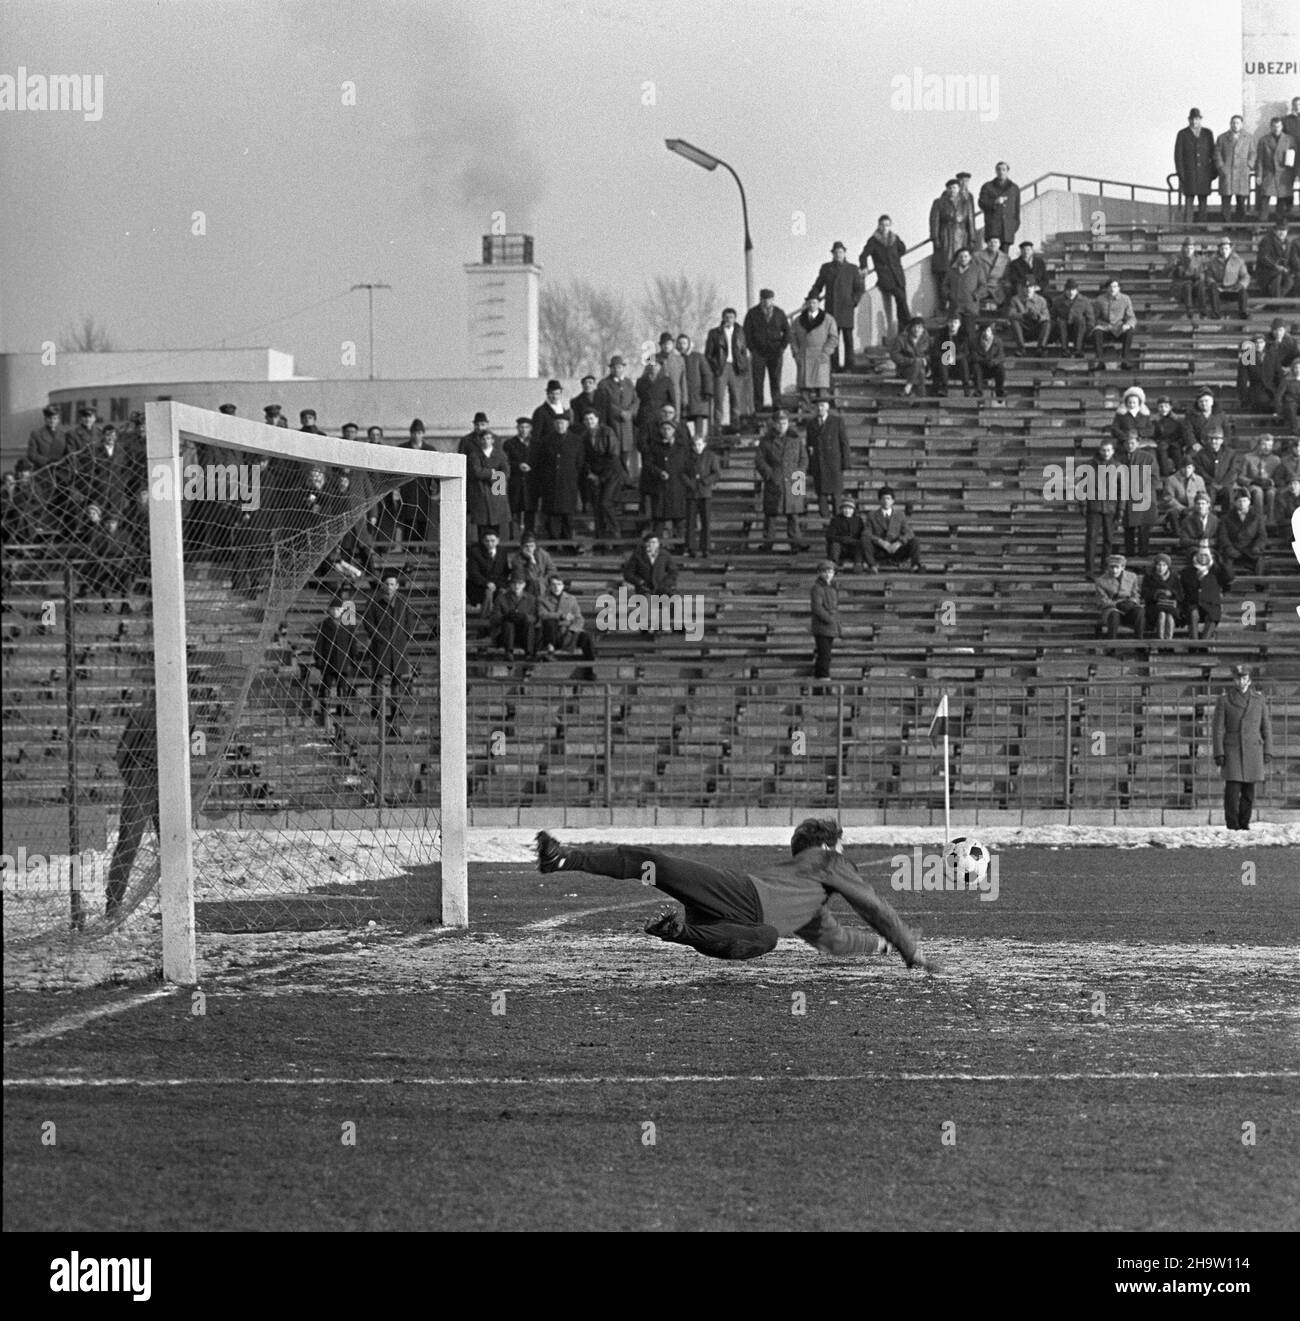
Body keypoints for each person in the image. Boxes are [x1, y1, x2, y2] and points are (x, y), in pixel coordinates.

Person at [533, 817, 937, 968]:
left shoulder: (806, 899)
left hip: (731, 920)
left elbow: (833, 941)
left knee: (655, 864)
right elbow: (873, 907)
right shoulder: (828, 862)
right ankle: (564, 859)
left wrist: (880, 948)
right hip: (741, 899)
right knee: (766, 938)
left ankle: (676, 930)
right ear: (829, 847)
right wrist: (905, 945)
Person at [105, 689, 159, 917]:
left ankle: (179, 897)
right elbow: (123, 753)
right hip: (144, 778)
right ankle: (114, 903)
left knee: (175, 844)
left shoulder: (189, 712)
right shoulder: (143, 713)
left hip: (168, 780)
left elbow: (197, 748)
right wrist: (135, 780)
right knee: (128, 843)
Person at [1212, 666, 1272, 831]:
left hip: (1253, 749)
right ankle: (1233, 825)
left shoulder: (1259, 699)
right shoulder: (1224, 700)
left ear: (1249, 680)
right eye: (1238, 678)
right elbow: (1217, 729)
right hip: (1233, 749)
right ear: (1234, 680)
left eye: (1244, 678)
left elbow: (1266, 727)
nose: (1241, 681)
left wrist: (1268, 750)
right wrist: (1219, 752)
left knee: (1248, 793)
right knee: (1232, 791)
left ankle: (1244, 824)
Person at [362, 569, 419, 731]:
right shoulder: (373, 602)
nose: (389, 587)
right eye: (386, 584)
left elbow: (410, 621)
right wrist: (378, 637)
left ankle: (396, 708)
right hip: (381, 645)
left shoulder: (403, 601)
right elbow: (368, 623)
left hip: (398, 645)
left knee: (397, 679)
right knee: (379, 678)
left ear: (397, 586)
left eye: (392, 584)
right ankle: (377, 708)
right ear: (382, 585)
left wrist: (404, 635)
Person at [755, 408, 809, 552]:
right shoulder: (766, 441)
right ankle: (768, 543)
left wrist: (800, 474)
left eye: (784, 423)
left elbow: (804, 458)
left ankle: (796, 542)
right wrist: (770, 475)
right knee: (771, 515)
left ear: (788, 423)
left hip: (795, 480)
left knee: (794, 514)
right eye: (779, 423)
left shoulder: (796, 439)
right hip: (775, 480)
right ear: (774, 424)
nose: (782, 426)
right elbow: (760, 461)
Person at [808, 241, 865, 372]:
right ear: (832, 254)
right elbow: (818, 285)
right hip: (832, 308)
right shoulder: (826, 268)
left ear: (844, 253)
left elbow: (859, 288)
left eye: (840, 252)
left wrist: (853, 301)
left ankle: (849, 367)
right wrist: (811, 298)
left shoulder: (852, 268)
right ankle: (834, 366)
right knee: (833, 339)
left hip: (846, 308)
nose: (838, 254)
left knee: (848, 339)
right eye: (835, 252)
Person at [312, 592, 364, 730]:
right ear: (329, 610)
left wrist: (354, 657)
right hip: (329, 659)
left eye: (338, 609)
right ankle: (325, 707)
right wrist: (318, 657)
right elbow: (319, 642)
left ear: (342, 610)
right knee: (327, 685)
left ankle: (343, 707)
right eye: (333, 609)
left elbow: (352, 642)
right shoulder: (324, 625)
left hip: (343, 660)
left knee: (343, 686)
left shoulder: (347, 625)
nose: (335, 611)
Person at [581, 405, 628, 549]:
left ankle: (616, 535)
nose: (589, 422)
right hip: (595, 474)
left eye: (592, 419)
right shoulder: (584, 436)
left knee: (605, 503)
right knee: (596, 507)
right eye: (587, 419)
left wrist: (600, 477)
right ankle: (600, 538)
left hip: (612, 473)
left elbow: (614, 456)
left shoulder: (607, 432)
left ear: (597, 419)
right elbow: (584, 458)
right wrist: (590, 473)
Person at [539, 413, 587, 546]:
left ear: (567, 424)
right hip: (551, 482)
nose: (560, 425)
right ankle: (554, 543)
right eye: (558, 423)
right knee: (553, 514)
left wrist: (572, 475)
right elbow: (542, 462)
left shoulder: (576, 440)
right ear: (554, 424)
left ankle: (567, 543)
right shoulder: (546, 440)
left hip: (568, 482)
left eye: (563, 423)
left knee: (567, 515)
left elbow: (580, 462)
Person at [742, 289, 791, 414]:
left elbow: (787, 331)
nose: (766, 302)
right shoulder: (752, 313)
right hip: (758, 352)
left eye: (769, 299)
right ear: (760, 299)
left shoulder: (779, 313)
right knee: (758, 380)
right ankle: (758, 406)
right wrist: (752, 348)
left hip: (775, 352)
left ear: (773, 300)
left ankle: (777, 404)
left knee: (775, 379)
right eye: (764, 299)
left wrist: (782, 347)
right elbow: (747, 333)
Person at [858, 215, 910, 329]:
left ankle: (903, 328)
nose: (884, 227)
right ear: (878, 226)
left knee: (902, 300)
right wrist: (864, 267)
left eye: (887, 225)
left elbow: (903, 249)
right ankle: (909, 323)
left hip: (898, 275)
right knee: (900, 297)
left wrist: (895, 260)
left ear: (890, 226)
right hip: (885, 276)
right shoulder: (873, 241)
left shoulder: (894, 238)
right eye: (882, 225)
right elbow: (863, 256)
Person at [1080, 438, 1121, 577]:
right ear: (1099, 450)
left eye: (1109, 450)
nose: (1106, 453)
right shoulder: (1089, 466)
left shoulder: (1118, 467)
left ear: (1113, 451)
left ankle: (1105, 569)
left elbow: (1123, 491)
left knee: (1108, 540)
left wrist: (1120, 510)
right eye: (1103, 450)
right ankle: (1089, 570)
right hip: (1094, 507)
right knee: (1091, 539)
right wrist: (1083, 505)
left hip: (1110, 508)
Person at [704, 308, 749, 433]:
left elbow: (743, 351)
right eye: (727, 317)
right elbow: (708, 353)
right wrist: (715, 366)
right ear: (723, 318)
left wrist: (743, 365)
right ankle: (717, 425)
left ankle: (735, 424)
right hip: (721, 368)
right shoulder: (715, 333)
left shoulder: (740, 332)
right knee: (719, 398)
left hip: (735, 367)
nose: (729, 320)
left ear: (735, 318)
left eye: (732, 317)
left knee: (736, 397)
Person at [806, 397, 852, 518]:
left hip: (834, 464)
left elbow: (844, 443)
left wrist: (845, 462)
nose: (819, 408)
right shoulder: (811, 424)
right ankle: (825, 522)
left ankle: (838, 521)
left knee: (836, 496)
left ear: (827, 407)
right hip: (819, 464)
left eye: (822, 405)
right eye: (818, 406)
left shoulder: (837, 421)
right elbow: (809, 445)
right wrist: (811, 465)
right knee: (821, 495)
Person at [928, 178, 975, 297]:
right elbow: (934, 221)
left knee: (961, 266)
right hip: (946, 235)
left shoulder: (965, 202)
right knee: (945, 269)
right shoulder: (939, 202)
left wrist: (972, 238)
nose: (952, 190)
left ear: (959, 189)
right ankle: (944, 300)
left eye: (954, 187)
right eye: (950, 188)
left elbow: (970, 221)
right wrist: (935, 238)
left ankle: (961, 296)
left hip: (961, 235)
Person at [788, 293, 838, 402]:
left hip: (821, 356)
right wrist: (796, 353)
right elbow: (792, 338)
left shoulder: (828, 319)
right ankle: (806, 413)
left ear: (819, 303)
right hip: (804, 356)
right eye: (809, 302)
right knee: (805, 391)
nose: (812, 305)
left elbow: (834, 338)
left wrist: (826, 352)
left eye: (814, 302)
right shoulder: (798, 320)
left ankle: (822, 414)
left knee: (821, 391)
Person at [594, 355, 638, 475]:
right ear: (610, 369)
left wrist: (630, 412)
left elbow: (635, 400)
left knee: (626, 454)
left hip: (627, 426)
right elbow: (605, 404)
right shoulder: (604, 384)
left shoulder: (628, 383)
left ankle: (625, 481)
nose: (617, 370)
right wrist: (619, 412)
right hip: (612, 424)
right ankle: (618, 481)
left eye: (619, 367)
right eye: (614, 367)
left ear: (623, 368)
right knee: (614, 455)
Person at [679, 434, 721, 560]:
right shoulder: (687, 457)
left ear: (704, 444)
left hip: (705, 493)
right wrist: (690, 483)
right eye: (695, 445)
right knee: (691, 522)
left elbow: (717, 473)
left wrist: (705, 481)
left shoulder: (711, 456)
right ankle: (691, 547)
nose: (697, 447)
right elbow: (682, 473)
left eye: (700, 444)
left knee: (706, 522)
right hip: (691, 493)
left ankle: (705, 548)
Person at [466, 429, 511, 543]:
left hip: (496, 491)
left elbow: (505, 472)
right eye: (484, 439)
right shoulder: (474, 455)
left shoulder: (500, 454)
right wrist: (492, 472)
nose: (486, 441)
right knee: (482, 525)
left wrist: (490, 475)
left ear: (493, 440)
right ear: (480, 441)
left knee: (496, 524)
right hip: (480, 492)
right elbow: (476, 472)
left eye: (489, 438)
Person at [1118, 427, 1157, 557]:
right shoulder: (1119, 459)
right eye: (1127, 443)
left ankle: (1142, 558)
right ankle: (1129, 558)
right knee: (1128, 530)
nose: (1129, 446)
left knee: (1143, 531)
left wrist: (1141, 490)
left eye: (1132, 443)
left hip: (1143, 499)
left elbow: (1154, 479)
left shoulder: (1148, 458)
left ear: (1138, 442)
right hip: (1127, 499)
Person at [537, 573, 594, 660]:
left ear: (563, 586)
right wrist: (561, 616)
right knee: (550, 622)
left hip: (569, 632)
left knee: (586, 637)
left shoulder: (571, 599)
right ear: (549, 586)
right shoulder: (542, 599)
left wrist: (572, 629)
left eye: (559, 584)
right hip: (552, 634)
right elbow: (542, 614)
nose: (556, 587)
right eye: (553, 584)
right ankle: (550, 651)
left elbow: (579, 618)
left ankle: (590, 667)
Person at [864, 486, 921, 573]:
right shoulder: (872, 515)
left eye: (888, 498)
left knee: (915, 541)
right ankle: (872, 566)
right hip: (880, 550)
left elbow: (909, 533)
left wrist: (899, 542)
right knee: (864, 540)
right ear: (879, 500)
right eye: (883, 498)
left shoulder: (900, 515)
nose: (886, 501)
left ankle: (915, 565)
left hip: (896, 549)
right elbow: (866, 533)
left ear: (893, 501)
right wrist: (880, 542)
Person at [1174, 108, 1216, 223]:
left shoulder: (1208, 133)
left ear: (1200, 120)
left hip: (1204, 174)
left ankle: (1203, 226)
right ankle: (1188, 226)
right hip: (1189, 175)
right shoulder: (1182, 134)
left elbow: (1213, 154)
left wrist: (1212, 173)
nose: (1194, 122)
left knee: (1203, 202)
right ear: (1188, 120)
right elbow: (1178, 156)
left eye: (1197, 119)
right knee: (1189, 202)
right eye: (1192, 119)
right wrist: (1181, 174)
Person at [485, 572, 538, 661]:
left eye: (520, 583)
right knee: (508, 623)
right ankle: (508, 653)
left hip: (524, 634)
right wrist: (506, 617)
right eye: (514, 583)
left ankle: (529, 654)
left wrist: (524, 617)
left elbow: (535, 618)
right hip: (505, 635)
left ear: (524, 585)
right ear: (510, 584)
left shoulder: (531, 599)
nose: (517, 586)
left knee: (529, 624)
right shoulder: (501, 598)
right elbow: (494, 618)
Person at [1216, 487, 1267, 578]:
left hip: (1250, 549)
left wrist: (1257, 547)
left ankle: (1260, 587)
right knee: (1225, 563)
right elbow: (1223, 536)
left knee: (1260, 562)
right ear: (1235, 503)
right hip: (1233, 548)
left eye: (1244, 500)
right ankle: (1228, 587)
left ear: (1249, 502)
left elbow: (1262, 535)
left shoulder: (1257, 517)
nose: (1242, 503)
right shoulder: (1226, 518)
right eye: (1239, 501)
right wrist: (1229, 548)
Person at [1094, 553, 1144, 640]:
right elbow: (1102, 600)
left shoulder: (1132, 577)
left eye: (1117, 567)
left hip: (1128, 608)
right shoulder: (1101, 581)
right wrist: (1117, 604)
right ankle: (1111, 646)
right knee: (1114, 615)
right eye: (1112, 567)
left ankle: (1140, 643)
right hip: (1111, 609)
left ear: (1123, 567)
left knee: (1139, 611)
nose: (1114, 570)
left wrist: (1132, 602)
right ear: (1108, 567)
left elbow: (1135, 594)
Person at [1091, 278, 1137, 372]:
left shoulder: (1125, 299)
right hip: (1106, 328)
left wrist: (1128, 325)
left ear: (1119, 288)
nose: (1112, 289)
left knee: (1130, 332)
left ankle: (1125, 361)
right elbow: (1095, 318)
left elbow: (1131, 317)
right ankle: (1099, 362)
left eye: (1115, 286)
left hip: (1119, 328)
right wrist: (1104, 325)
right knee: (1097, 332)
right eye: (1110, 287)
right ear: (1107, 288)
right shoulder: (1100, 299)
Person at [1216, 114, 1255, 222]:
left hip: (1242, 173)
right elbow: (1217, 154)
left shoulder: (1248, 138)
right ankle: (1226, 225)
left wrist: (1249, 166)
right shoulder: (1222, 138)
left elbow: (1253, 153)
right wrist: (1221, 167)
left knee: (1241, 201)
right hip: (1227, 173)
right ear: (1230, 124)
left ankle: (1240, 225)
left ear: (1241, 124)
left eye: (1237, 123)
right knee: (1226, 201)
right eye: (1233, 123)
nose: (1235, 125)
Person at [504, 416, 539, 538]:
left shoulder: (536, 444)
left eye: (526, 427)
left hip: (531, 483)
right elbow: (505, 462)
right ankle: (514, 537)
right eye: (521, 427)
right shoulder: (509, 444)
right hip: (515, 483)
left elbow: (541, 462)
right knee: (514, 512)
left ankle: (529, 538)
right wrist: (518, 465)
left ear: (531, 428)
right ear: (517, 428)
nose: (524, 430)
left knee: (530, 512)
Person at [1256, 117, 1296, 221]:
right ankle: (1262, 225)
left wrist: (1294, 174)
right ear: (1270, 127)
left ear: (1282, 127)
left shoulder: (1289, 139)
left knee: (1281, 200)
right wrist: (1259, 175)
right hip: (1269, 173)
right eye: (1273, 126)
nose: (1276, 129)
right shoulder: (1264, 140)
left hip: (1284, 174)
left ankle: (1280, 224)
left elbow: (1295, 158)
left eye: (1278, 126)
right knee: (1265, 199)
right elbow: (1260, 159)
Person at [1180, 546, 1224, 640]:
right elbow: (1184, 589)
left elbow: (1229, 577)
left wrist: (1218, 563)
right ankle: (1194, 643)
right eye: (1200, 555)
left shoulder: (1216, 570)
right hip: (1193, 604)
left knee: (1212, 615)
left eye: (1206, 555)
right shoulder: (1186, 572)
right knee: (1193, 613)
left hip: (1211, 604)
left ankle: (1204, 643)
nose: (1203, 558)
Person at [676, 333, 713, 438]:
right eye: (679, 343)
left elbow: (707, 374)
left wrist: (707, 391)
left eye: (684, 343)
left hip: (698, 397)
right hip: (683, 398)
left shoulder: (698, 357)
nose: (682, 345)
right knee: (682, 426)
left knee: (699, 427)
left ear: (688, 344)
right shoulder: (675, 359)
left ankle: (699, 445)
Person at [467, 529, 511, 614]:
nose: (490, 544)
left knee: (504, 595)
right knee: (487, 594)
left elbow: (505, 571)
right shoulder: (475, 552)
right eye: (487, 541)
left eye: (492, 541)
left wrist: (497, 584)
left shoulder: (502, 552)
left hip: (497, 585)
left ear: (498, 541)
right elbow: (473, 572)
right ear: (483, 541)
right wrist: (487, 583)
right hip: (478, 586)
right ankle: (484, 618)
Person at [1205, 237, 1250, 320]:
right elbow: (1208, 275)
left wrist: (1241, 284)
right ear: (1219, 249)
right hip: (1220, 290)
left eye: (1226, 248)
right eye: (1222, 249)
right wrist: (1212, 282)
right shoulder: (1212, 262)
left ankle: (1243, 312)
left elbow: (1245, 276)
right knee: (1212, 289)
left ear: (1230, 249)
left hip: (1234, 289)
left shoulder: (1238, 261)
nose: (1224, 251)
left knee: (1243, 291)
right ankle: (1216, 313)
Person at [810, 559, 841, 680]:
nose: (828, 574)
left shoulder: (832, 588)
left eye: (830, 571)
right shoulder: (817, 588)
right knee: (824, 655)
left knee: (825, 655)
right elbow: (817, 607)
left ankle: (821, 683)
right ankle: (823, 682)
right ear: (819, 573)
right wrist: (830, 619)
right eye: (825, 571)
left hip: (830, 626)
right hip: (822, 626)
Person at [1140, 554, 1183, 640]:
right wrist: (1156, 593)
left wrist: (1171, 593)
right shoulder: (1149, 577)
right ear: (1155, 565)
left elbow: (1180, 595)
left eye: (1164, 565)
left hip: (1171, 605)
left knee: (1170, 616)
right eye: (1159, 565)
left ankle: (1168, 643)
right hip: (1154, 605)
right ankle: (1160, 642)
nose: (1161, 568)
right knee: (1162, 615)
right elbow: (1144, 593)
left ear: (1168, 566)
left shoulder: (1174, 577)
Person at [930, 312, 973, 397]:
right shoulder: (941, 334)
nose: (953, 325)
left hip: (959, 365)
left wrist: (953, 358)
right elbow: (935, 351)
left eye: (955, 322)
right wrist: (945, 357)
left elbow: (966, 353)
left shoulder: (964, 335)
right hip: (943, 366)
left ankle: (966, 387)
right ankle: (944, 388)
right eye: (951, 322)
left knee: (963, 361)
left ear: (959, 324)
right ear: (947, 323)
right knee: (943, 361)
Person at [978, 161, 1020, 247]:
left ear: (1007, 171)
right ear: (996, 171)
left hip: (1007, 230)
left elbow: (1016, 210)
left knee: (1004, 258)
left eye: (1004, 169)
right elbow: (981, 203)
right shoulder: (987, 186)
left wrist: (1014, 226)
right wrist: (995, 202)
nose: (1001, 172)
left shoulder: (1014, 188)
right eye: (999, 169)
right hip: (993, 229)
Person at [888, 316, 931, 395]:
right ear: (911, 327)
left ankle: (908, 388)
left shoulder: (926, 339)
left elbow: (932, 354)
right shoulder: (901, 338)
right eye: (915, 327)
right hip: (905, 369)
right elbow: (894, 354)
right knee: (919, 367)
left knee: (920, 367)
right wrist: (911, 361)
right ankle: (921, 397)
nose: (917, 329)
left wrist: (926, 359)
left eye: (920, 327)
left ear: (923, 329)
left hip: (923, 368)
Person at [1052, 279, 1094, 358]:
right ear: (1065, 290)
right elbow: (1052, 317)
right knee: (1061, 322)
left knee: (1080, 320)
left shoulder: (1084, 300)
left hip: (1079, 330)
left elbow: (1090, 319)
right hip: (1063, 329)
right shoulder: (1058, 300)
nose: (1071, 292)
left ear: (1077, 290)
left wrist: (1087, 331)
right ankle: (1065, 350)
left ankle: (1078, 349)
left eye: (1073, 290)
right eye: (1068, 290)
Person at [1167, 237, 1207, 320]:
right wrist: (1174, 267)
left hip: (1194, 288)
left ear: (1194, 249)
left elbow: (1203, 273)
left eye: (1191, 248)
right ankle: (1189, 310)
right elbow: (1167, 273)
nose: (1189, 250)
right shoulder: (1176, 258)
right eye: (1187, 248)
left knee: (1200, 284)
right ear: (1183, 248)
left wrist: (1199, 276)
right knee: (1187, 285)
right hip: (1181, 288)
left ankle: (1203, 311)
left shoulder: (1198, 259)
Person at [1255, 221, 1298, 299]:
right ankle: (1275, 304)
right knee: (1277, 277)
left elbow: (1287, 259)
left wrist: (1288, 269)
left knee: (1290, 281)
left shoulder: (1287, 242)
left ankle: (1273, 302)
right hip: (1266, 270)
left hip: (1281, 270)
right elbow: (1264, 257)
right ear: (1275, 230)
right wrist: (1275, 265)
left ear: (1287, 231)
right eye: (1279, 230)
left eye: (1284, 230)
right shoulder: (1267, 240)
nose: (1282, 233)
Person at [1006, 279, 1051, 354]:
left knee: (1047, 323)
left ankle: (1041, 348)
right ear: (1022, 288)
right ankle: (1021, 348)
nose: (1028, 289)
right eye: (1026, 287)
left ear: (1034, 288)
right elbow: (1011, 314)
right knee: (1014, 321)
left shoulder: (1041, 300)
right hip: (1023, 329)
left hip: (1036, 328)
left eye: (1031, 287)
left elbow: (1046, 315)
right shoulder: (1015, 299)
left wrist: (1038, 317)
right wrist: (1024, 315)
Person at [824, 495, 867, 569]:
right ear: (841, 509)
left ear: (853, 510)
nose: (847, 511)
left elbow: (862, 533)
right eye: (845, 508)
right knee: (835, 545)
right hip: (841, 546)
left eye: (850, 508)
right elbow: (830, 535)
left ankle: (858, 564)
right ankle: (834, 564)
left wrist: (854, 540)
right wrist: (843, 539)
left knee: (860, 544)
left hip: (853, 546)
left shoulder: (858, 520)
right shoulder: (836, 520)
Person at [510, 532, 557, 598]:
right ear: (522, 547)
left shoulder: (543, 554)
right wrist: (531, 563)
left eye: (532, 546)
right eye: (526, 546)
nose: (529, 549)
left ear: (535, 546)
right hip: (526, 586)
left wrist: (544, 580)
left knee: (539, 583)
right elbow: (524, 577)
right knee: (534, 583)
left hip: (544, 585)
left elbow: (552, 570)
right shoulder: (517, 559)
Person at [971, 323, 1008, 402]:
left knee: (1000, 368)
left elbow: (1001, 356)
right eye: (984, 331)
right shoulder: (975, 341)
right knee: (975, 367)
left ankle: (1000, 391)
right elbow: (974, 356)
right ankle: (978, 391)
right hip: (981, 367)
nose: (986, 333)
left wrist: (994, 362)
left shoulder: (998, 341)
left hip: (992, 367)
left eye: (988, 330)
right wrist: (984, 361)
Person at [1152, 395, 1184, 475]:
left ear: (1170, 407)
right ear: (1157, 408)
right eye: (1161, 406)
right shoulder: (1155, 420)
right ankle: (1165, 474)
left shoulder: (1176, 419)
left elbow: (1181, 433)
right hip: (1161, 442)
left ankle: (1179, 473)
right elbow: (1153, 434)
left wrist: (1179, 442)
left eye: (1166, 406)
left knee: (1176, 451)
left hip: (1174, 441)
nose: (1163, 409)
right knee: (1162, 450)